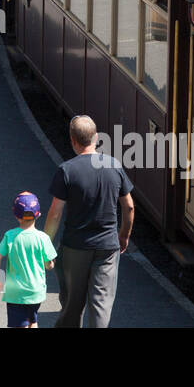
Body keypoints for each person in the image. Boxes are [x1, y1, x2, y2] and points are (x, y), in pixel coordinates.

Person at [44, 115, 134, 328]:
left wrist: (45, 244)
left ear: (73, 140)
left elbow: (55, 213)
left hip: (75, 246)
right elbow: (129, 206)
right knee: (101, 304)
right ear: (96, 138)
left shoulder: (67, 170)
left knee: (72, 304)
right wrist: (124, 235)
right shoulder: (114, 166)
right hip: (107, 247)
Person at [0, 192, 57, 328]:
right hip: (35, 291)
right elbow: (49, 264)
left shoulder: (10, 235)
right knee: (33, 321)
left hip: (15, 292)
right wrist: (49, 264)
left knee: (19, 324)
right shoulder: (43, 238)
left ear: (16, 215)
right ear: (38, 214)